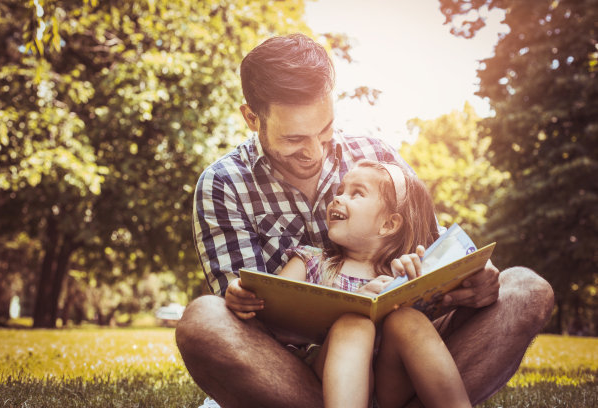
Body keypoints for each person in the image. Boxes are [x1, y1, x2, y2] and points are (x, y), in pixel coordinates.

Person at [176, 33, 554, 408]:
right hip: (302, 374)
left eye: (324, 130)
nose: (314, 152)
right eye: (294, 138)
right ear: (251, 117)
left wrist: (475, 279)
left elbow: (435, 251)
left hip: (404, 363)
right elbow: (250, 325)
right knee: (204, 320)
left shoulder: (375, 157)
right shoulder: (224, 184)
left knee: (526, 289)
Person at [226, 159, 472, 408]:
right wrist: (240, 293)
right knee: (354, 325)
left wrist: (410, 282)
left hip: (391, 388)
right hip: (323, 385)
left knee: (408, 320)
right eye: (341, 190)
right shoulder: (310, 262)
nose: (338, 198)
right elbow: (269, 318)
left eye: (357, 193)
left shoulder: (402, 271)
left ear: (388, 224)